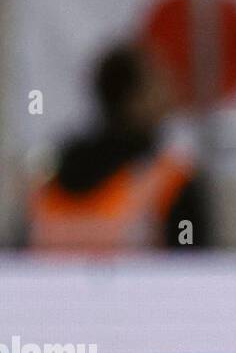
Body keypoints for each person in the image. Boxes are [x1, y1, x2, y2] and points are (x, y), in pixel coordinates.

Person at [25, 42, 210, 254]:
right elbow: (193, 269)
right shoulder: (171, 183)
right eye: (158, 83)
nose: (170, 90)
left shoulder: (47, 177)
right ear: (132, 101)